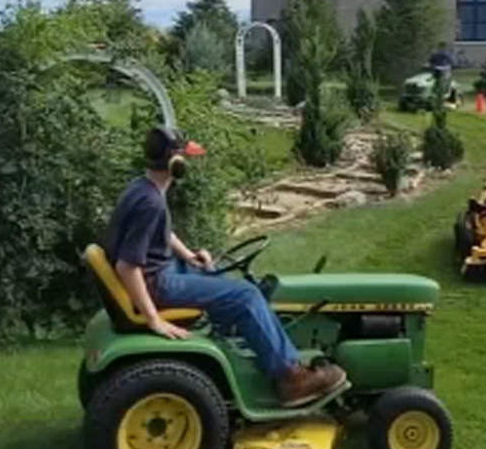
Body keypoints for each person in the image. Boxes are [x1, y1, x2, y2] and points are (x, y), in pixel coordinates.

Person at [105, 126, 349, 408]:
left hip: (161, 272)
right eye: (186, 155)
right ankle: (291, 377)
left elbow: (161, 233)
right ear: (176, 163)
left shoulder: (142, 188)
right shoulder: (151, 203)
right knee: (245, 295)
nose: (189, 161)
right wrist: (153, 319)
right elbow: (127, 266)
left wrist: (189, 255)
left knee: (218, 273)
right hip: (157, 283)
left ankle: (252, 342)